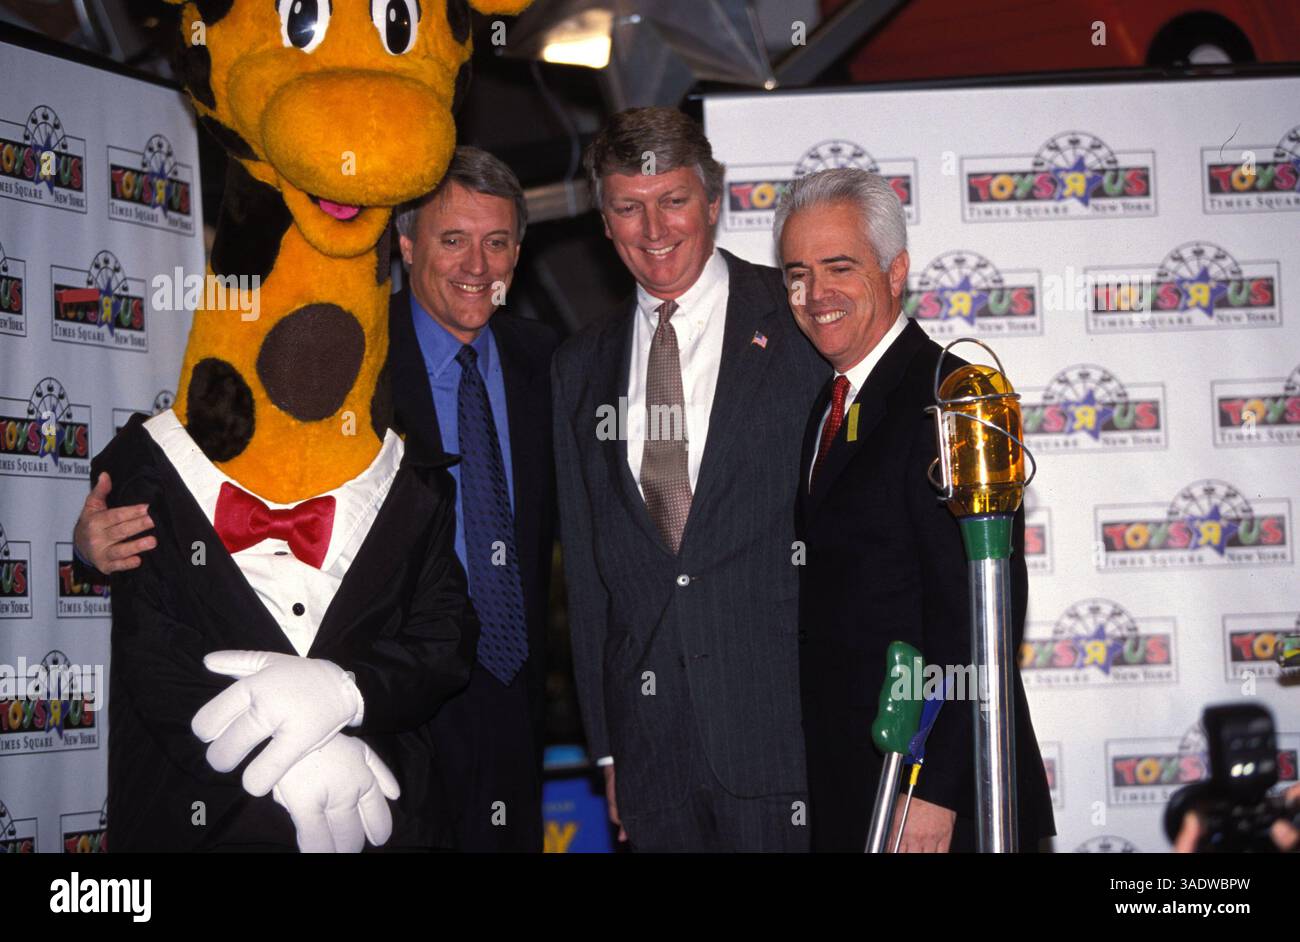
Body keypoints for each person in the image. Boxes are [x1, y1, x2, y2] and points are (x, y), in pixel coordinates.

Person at [75, 146, 557, 852]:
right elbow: (189, 446)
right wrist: (92, 540)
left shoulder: (551, 362)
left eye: (498, 242)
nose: (477, 267)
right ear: (405, 242)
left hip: (507, 700)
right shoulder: (340, 347)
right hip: (375, 721)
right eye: (453, 239)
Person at [552, 107, 827, 852]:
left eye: (673, 200)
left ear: (714, 201)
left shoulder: (806, 323)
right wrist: (609, 749)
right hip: (652, 758)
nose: (653, 229)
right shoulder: (579, 366)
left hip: (788, 742)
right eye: (628, 208)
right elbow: (589, 575)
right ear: (604, 221)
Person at [775, 167, 1055, 852]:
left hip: (936, 802)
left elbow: (980, 617)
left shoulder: (953, 396)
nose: (815, 294)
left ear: (896, 271)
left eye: (840, 267)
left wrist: (934, 792)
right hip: (856, 790)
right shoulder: (828, 403)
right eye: (797, 274)